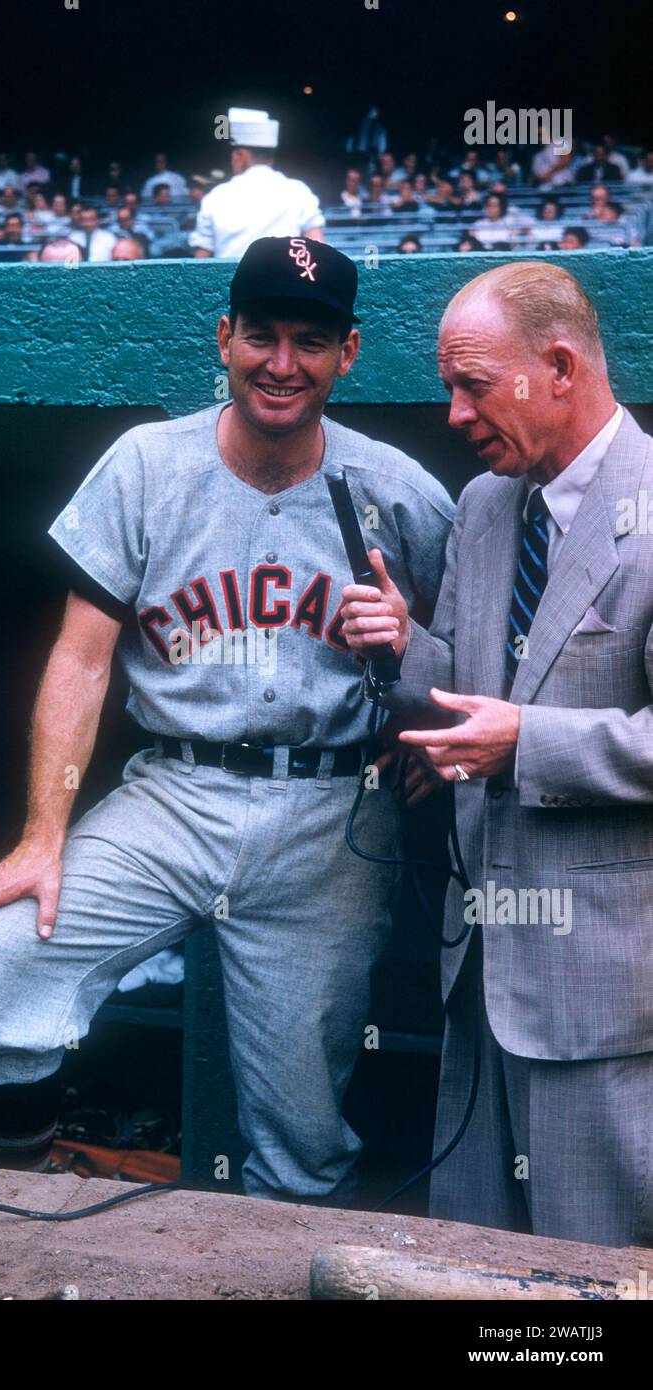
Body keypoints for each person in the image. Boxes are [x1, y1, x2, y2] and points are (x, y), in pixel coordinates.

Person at [0, 235, 454, 1197]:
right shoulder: (146, 465)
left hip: (332, 817)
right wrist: (42, 836)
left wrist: (425, 695)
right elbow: (81, 662)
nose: (282, 364)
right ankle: (1, 1208)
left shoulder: (400, 492)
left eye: (311, 341)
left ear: (348, 355)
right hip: (170, 797)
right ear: (224, 337)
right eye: (261, 335)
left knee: (301, 1131)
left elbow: (472, 658)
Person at [339, 261, 653, 1248]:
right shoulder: (480, 505)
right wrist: (401, 646)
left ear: (557, 366)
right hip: (475, 972)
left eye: (472, 385)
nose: (451, 412)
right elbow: (473, 693)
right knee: (472, 1272)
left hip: (600, 992)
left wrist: (526, 746)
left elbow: (513, 729)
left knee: (593, 1280)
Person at [190, 107, 325, 259]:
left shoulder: (216, 197)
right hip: (286, 281)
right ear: (270, 157)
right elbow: (318, 249)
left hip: (230, 282)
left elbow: (201, 261)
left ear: (241, 155)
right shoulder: (299, 192)